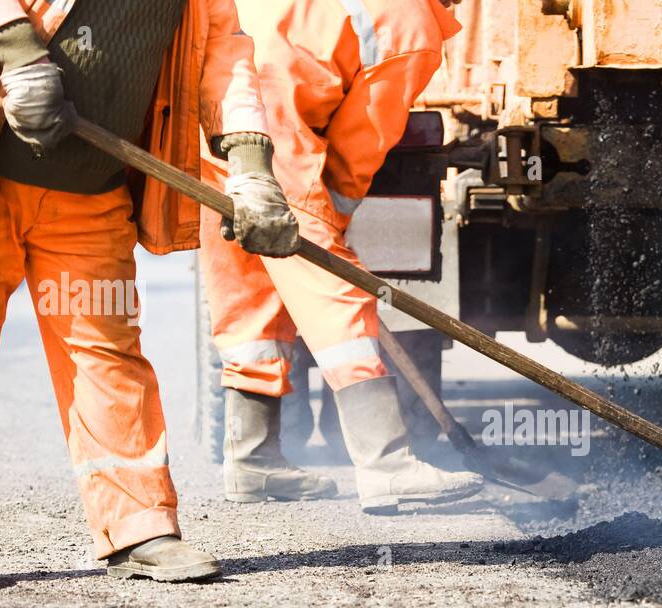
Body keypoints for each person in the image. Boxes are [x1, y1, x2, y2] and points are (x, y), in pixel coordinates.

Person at [0, 0, 300, 588]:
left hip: (88, 183)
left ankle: (141, 525)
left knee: (105, 347)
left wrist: (250, 162)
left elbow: (222, 52)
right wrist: (18, 52)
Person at [200, 0, 483, 514]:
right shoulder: (412, 25)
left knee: (250, 296)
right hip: (275, 141)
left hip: (219, 122)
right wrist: (330, 221)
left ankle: (253, 459)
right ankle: (388, 465)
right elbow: (360, 145)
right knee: (338, 301)